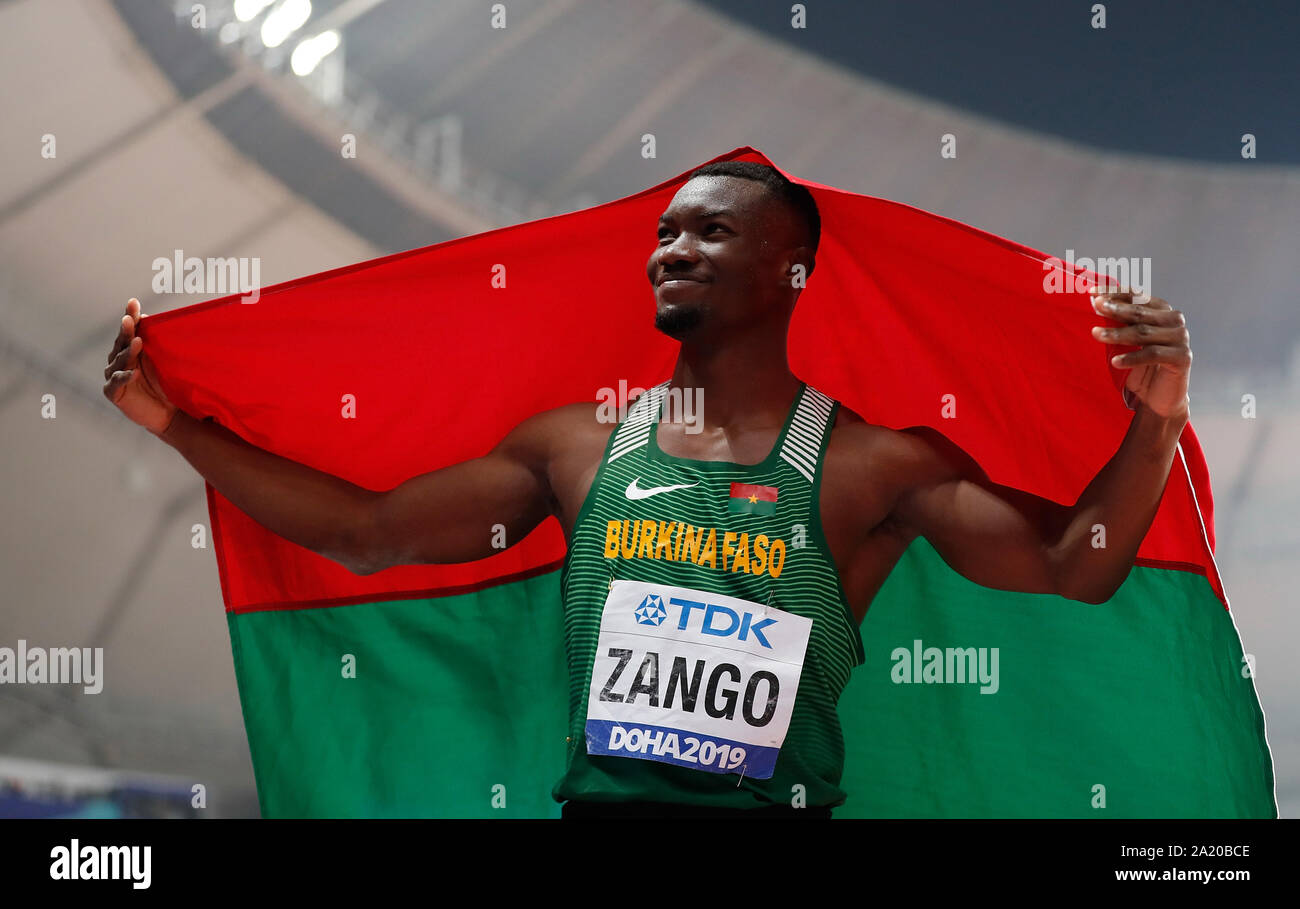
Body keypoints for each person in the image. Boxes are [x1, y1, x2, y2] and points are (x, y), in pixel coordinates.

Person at [103, 162, 1193, 819]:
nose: (671, 250)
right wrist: (175, 425)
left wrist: (1153, 422)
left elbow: (1073, 566)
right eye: (665, 232)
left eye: (711, 231)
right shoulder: (573, 450)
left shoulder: (872, 464)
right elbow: (366, 535)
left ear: (793, 272)